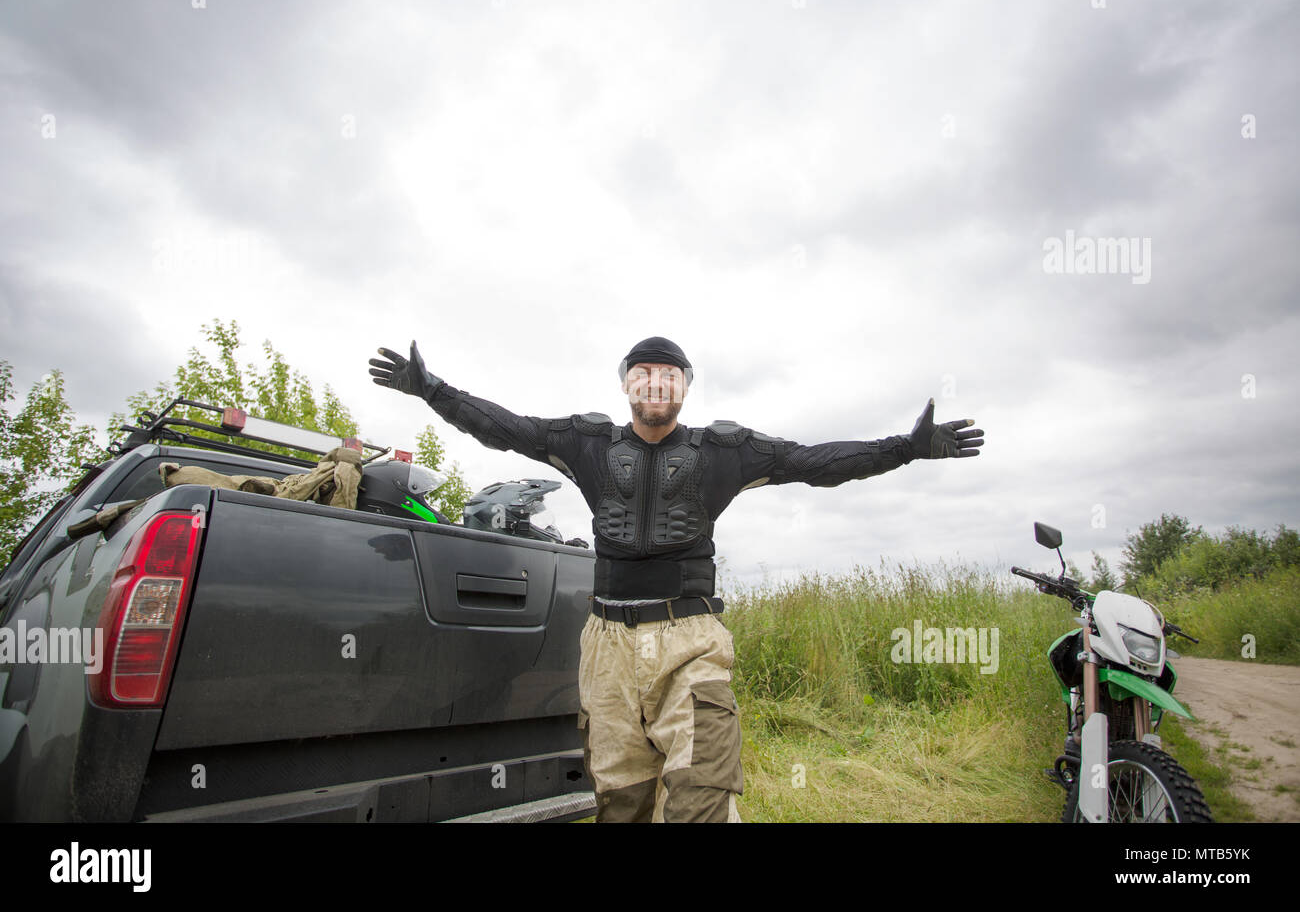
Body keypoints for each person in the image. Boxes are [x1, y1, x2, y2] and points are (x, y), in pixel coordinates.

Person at [368, 336, 984, 822]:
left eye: (669, 376)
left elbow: (816, 462)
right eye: (643, 375)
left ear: (685, 389)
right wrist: (431, 389)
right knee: (622, 799)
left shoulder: (724, 452)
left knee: (699, 793)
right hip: (607, 650)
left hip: (689, 640)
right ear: (626, 386)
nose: (656, 386)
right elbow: (504, 428)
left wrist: (906, 446)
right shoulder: (586, 446)